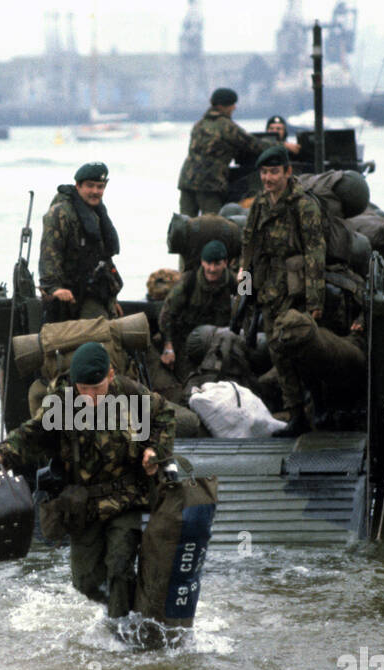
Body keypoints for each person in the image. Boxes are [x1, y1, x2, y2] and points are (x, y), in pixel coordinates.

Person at [0, 343, 174, 623]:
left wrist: (155, 450)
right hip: (85, 503)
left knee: (119, 568)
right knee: (86, 582)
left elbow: (166, 416)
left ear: (110, 374)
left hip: (128, 496)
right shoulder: (64, 402)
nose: (91, 397)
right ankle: (130, 610)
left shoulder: (131, 394)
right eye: (84, 389)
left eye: (97, 388)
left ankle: (121, 640)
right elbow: (32, 434)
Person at [238, 145, 327, 432]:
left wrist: (315, 299)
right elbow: (249, 243)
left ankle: (318, 407)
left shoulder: (303, 205)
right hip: (267, 289)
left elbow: (315, 252)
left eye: (274, 172)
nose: (268, 178)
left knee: (299, 351)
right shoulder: (261, 203)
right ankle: (295, 413)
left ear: (288, 172)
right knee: (277, 352)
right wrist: (245, 279)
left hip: (295, 291)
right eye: (264, 172)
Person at [39, 162, 123, 321]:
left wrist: (111, 300)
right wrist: (54, 288)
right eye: (90, 186)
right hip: (71, 291)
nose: (95, 192)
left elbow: (103, 255)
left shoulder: (96, 213)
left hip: (94, 288)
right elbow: (50, 252)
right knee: (97, 332)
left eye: (100, 187)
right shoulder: (61, 213)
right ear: (78, 186)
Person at [176, 87, 269, 217]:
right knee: (212, 225)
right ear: (222, 106)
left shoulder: (199, 124)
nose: (234, 108)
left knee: (185, 223)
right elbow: (254, 144)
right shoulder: (226, 126)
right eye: (232, 104)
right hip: (209, 183)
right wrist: (284, 146)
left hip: (187, 180)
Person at [158, 239, 238, 386]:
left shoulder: (234, 283)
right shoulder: (189, 282)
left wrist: (245, 277)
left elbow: (247, 306)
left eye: (217, 264)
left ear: (225, 263)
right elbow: (167, 314)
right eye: (208, 263)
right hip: (186, 344)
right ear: (202, 262)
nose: (212, 269)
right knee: (190, 383)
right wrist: (168, 346)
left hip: (218, 344)